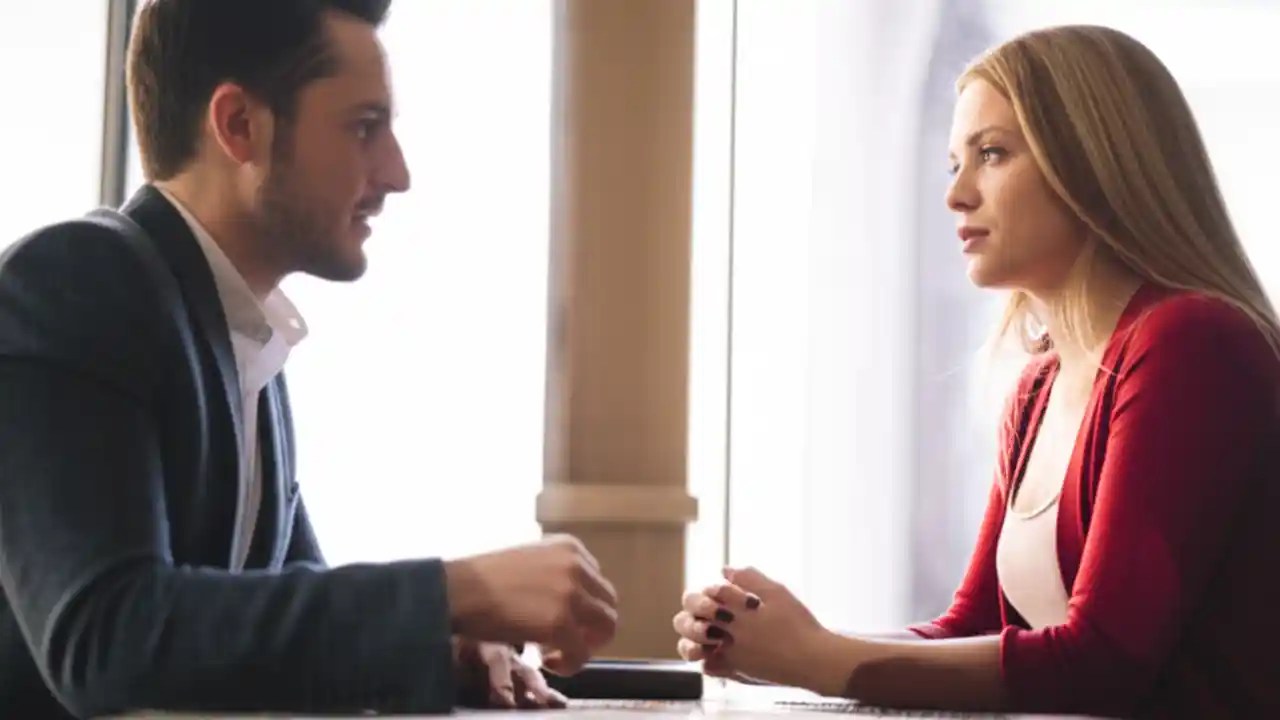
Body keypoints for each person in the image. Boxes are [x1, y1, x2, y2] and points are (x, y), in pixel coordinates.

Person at [0, 1, 618, 718]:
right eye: (364, 127)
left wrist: (445, 644)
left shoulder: (245, 341)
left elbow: (282, 623)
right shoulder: (73, 281)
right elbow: (105, 639)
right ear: (239, 126)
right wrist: (459, 592)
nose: (397, 172)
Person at [673, 23, 1280, 718]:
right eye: (953, 162)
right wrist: (782, 650)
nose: (956, 195)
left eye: (991, 154)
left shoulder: (1193, 343)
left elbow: (1104, 661)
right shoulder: (1038, 387)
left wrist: (818, 658)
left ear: (1094, 162)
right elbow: (973, 632)